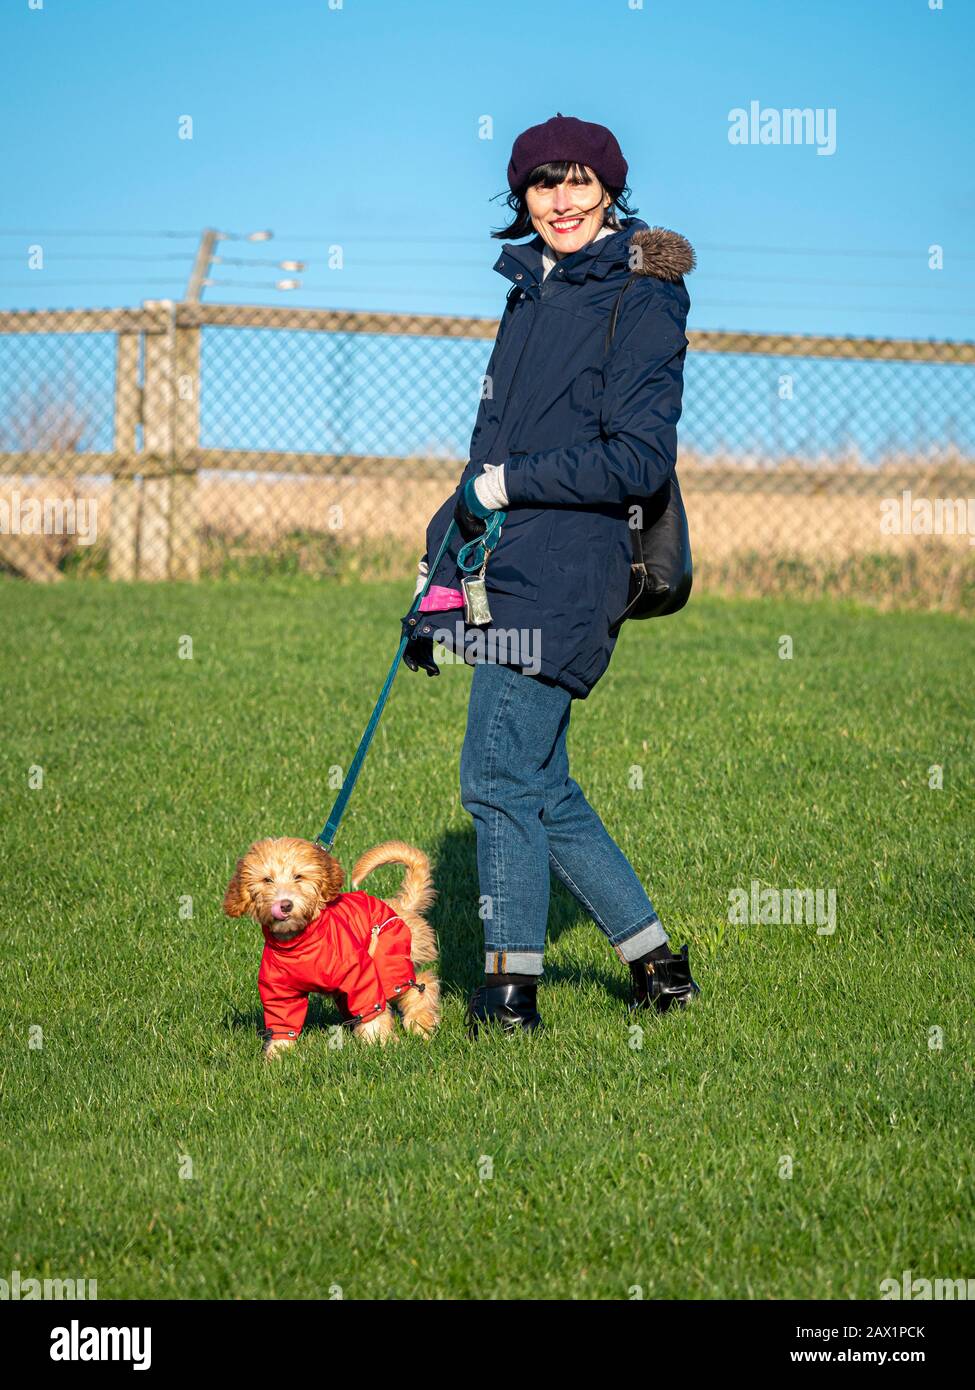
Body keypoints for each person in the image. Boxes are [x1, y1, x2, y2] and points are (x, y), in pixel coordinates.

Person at [401, 113, 701, 1035]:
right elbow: (490, 450)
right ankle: (658, 968)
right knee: (537, 782)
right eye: (542, 184)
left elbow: (636, 458)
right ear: (520, 197)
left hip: (571, 568)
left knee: (493, 780)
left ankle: (506, 1000)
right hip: (505, 562)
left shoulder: (639, 294)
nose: (560, 201)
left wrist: (505, 483)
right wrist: (440, 557)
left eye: (577, 181)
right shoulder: (532, 287)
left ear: (609, 188)